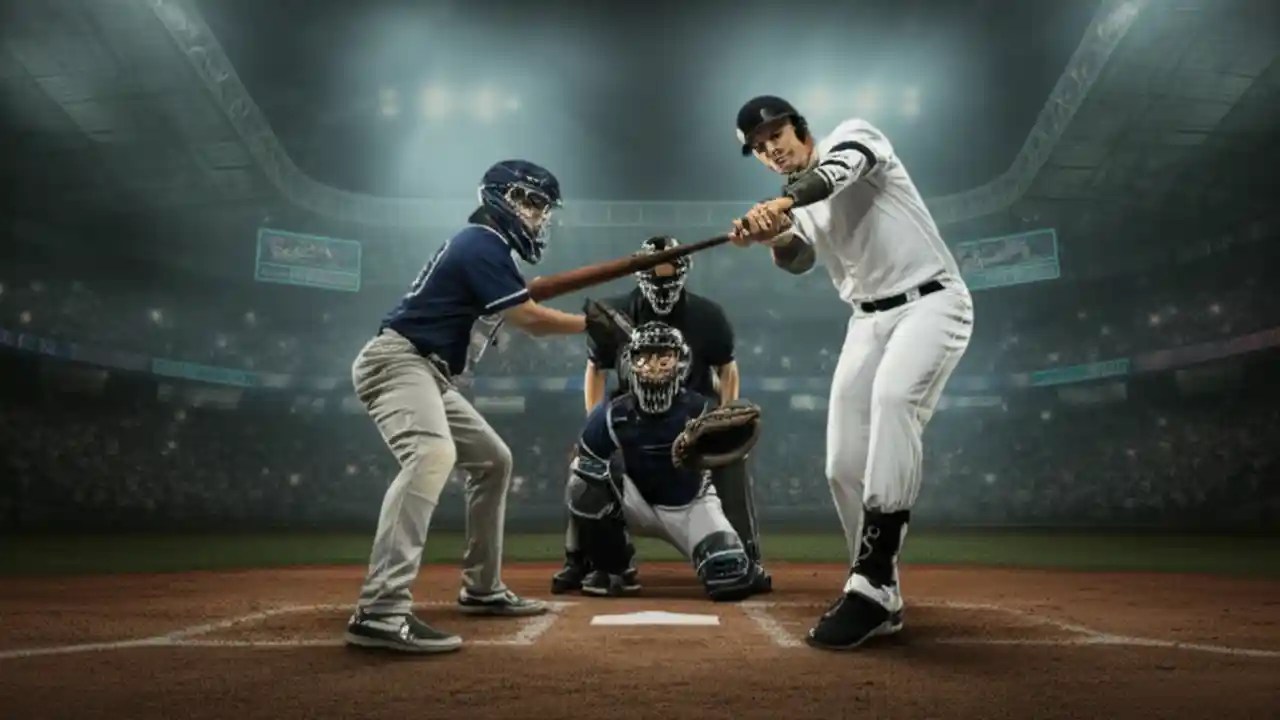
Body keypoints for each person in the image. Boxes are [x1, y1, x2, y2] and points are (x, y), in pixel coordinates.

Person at [727, 96, 974, 650]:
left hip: (932, 301)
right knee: (841, 463)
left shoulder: (852, 136)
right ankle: (880, 593)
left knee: (892, 402)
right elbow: (799, 260)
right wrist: (769, 232)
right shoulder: (796, 196)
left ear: (800, 127)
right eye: (760, 147)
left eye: (777, 135)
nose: (772, 149)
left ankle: (870, 584)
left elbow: (834, 177)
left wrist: (781, 203)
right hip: (865, 320)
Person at [344, 160, 589, 654]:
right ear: (506, 198)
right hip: (400, 361)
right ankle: (380, 609)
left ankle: (482, 588)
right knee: (432, 455)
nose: (541, 218)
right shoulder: (481, 242)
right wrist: (590, 324)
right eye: (535, 204)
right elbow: (528, 318)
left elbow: (517, 304)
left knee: (493, 461)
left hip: (430, 373)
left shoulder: (489, 251)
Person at [550, 236, 770, 596]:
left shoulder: (708, 315)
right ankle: (582, 560)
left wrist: (723, 419)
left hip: (693, 421)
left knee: (732, 460)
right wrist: (594, 422)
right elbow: (596, 368)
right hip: (630, 419)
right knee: (585, 469)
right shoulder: (616, 311)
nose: (662, 281)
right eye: (654, 271)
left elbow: (727, 368)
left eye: (669, 271)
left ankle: (747, 554)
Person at [564, 321, 763, 601]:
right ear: (630, 363)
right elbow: (581, 472)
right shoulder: (610, 414)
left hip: (692, 504)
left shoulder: (703, 409)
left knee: (728, 577)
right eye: (644, 357)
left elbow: (729, 468)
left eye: (663, 357)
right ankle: (613, 567)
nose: (653, 366)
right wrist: (572, 556)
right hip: (636, 504)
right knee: (583, 476)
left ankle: (741, 556)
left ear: (681, 362)